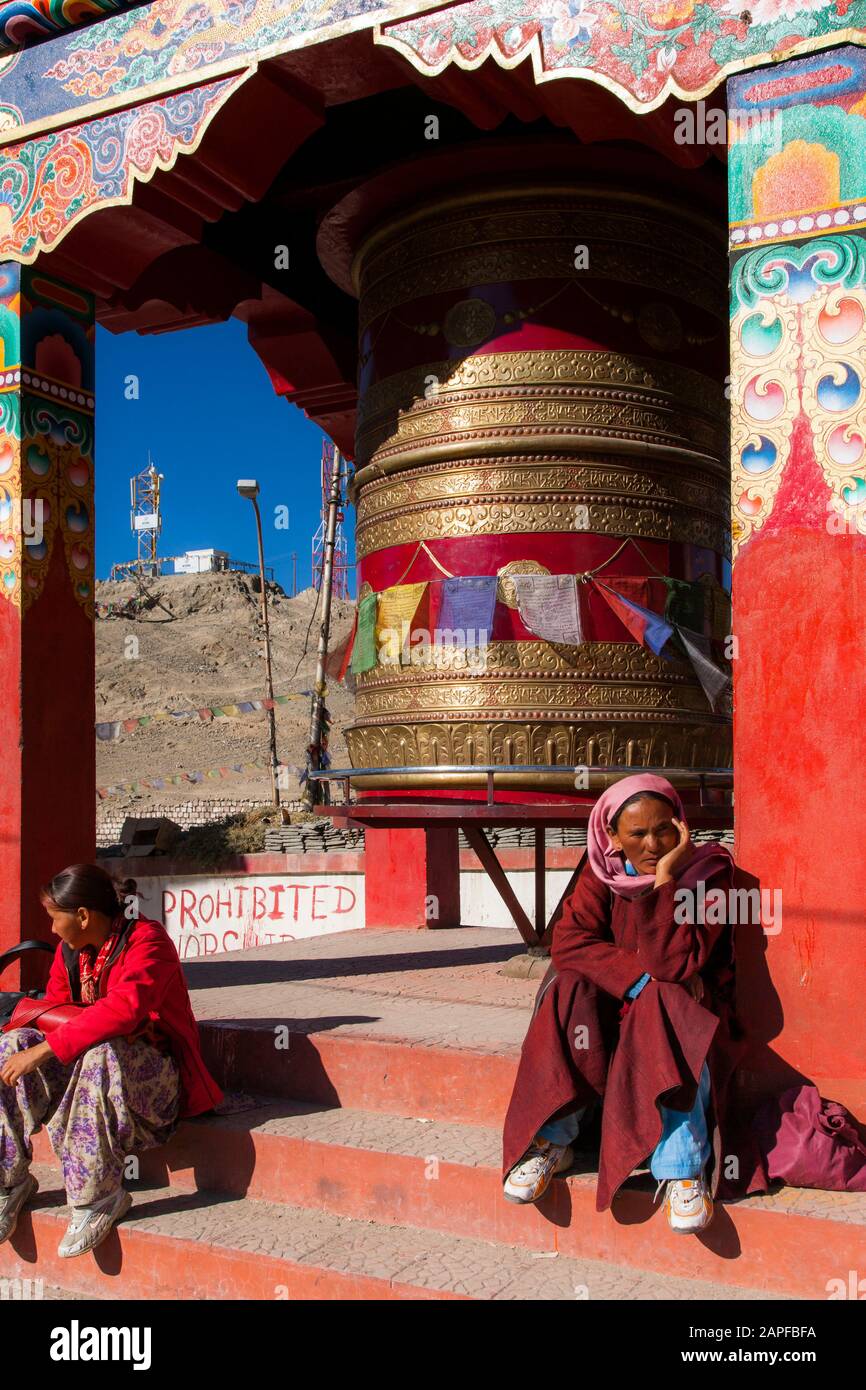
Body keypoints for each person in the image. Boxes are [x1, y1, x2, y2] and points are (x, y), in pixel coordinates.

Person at [502, 774, 767, 1232]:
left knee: (667, 997)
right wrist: (637, 978)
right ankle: (553, 1142)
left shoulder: (709, 876)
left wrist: (665, 881)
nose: (653, 844)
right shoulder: (600, 872)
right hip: (620, 1009)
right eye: (637, 834)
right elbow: (569, 943)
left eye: (663, 829)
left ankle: (681, 1168)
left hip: (687, 1021)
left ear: (681, 827)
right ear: (612, 837)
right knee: (569, 987)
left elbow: (674, 964)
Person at [0, 864, 223, 1258]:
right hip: (86, 1070)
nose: (51, 930)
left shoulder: (148, 942)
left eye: (54, 918)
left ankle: (97, 1197)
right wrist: (32, 1047)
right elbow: (56, 1009)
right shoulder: (72, 954)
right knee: (11, 1045)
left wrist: (45, 1051)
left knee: (100, 1051)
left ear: (82, 915)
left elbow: (124, 1011)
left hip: (150, 1084)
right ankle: (8, 1180)